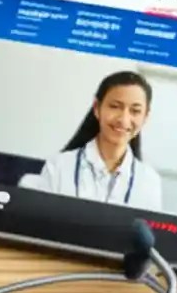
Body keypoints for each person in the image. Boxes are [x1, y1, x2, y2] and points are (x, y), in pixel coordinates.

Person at [20, 70, 163, 210]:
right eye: (115, 106)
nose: (124, 120)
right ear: (97, 108)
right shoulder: (58, 167)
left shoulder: (149, 182)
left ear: (145, 117)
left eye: (135, 111)